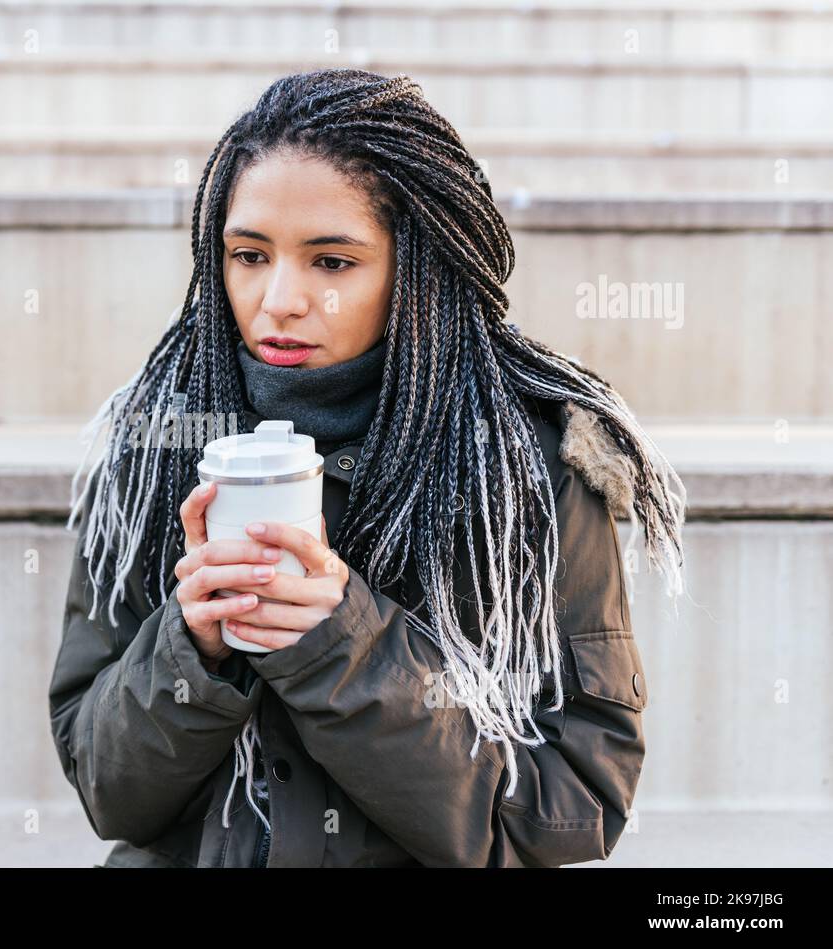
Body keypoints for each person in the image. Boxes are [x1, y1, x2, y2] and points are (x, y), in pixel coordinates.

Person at [48, 69, 686, 867]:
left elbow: (574, 810)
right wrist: (191, 647)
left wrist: (337, 644)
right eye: (250, 254)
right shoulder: (159, 443)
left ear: (415, 267)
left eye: (332, 263)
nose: (278, 297)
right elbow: (108, 792)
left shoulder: (529, 468)